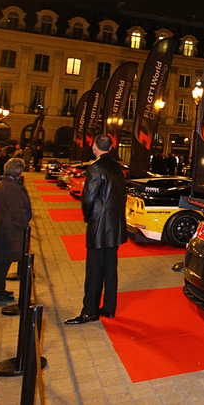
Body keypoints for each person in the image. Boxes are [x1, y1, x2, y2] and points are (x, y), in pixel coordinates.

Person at [65, 135, 127, 324]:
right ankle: (109, 307)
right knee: (110, 268)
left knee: (93, 270)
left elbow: (88, 198)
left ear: (95, 147)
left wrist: (88, 217)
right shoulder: (118, 167)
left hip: (100, 225)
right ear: (110, 147)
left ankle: (90, 310)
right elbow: (122, 195)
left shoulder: (96, 167)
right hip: (114, 225)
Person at [0, 158, 32, 301]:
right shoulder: (12, 188)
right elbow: (17, 212)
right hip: (8, 230)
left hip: (4, 226)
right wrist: (23, 225)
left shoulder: (5, 184)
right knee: (1, 262)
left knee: (1, 261)